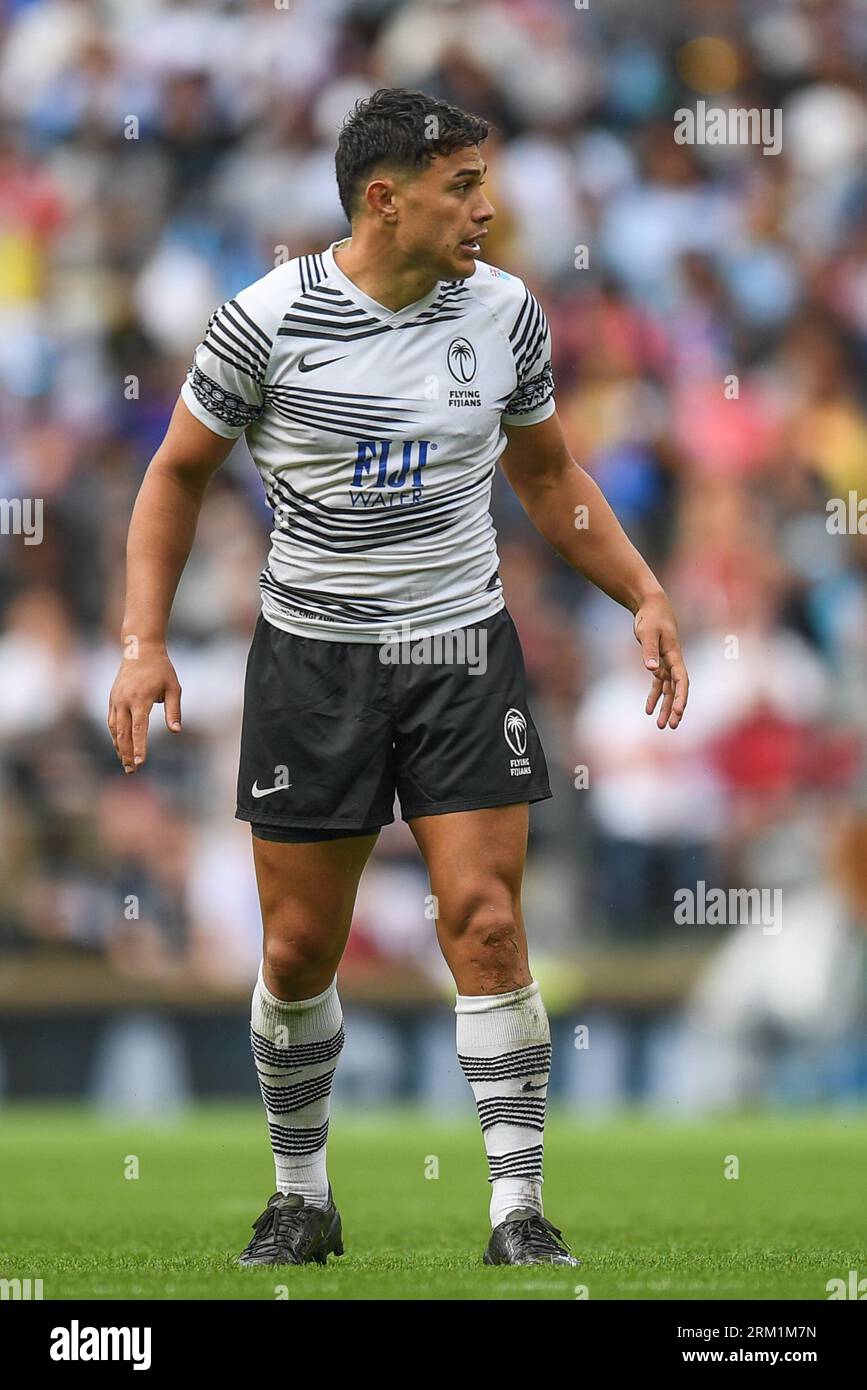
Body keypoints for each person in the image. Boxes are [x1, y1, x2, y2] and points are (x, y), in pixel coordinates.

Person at [107, 88, 689, 1268]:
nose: (491, 206)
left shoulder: (508, 312)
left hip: (461, 650)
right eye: (463, 185)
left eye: (485, 181)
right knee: (294, 953)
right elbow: (175, 475)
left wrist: (642, 589)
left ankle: (516, 1211)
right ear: (387, 198)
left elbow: (546, 475)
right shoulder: (263, 324)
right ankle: (300, 1196)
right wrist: (141, 639)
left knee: (484, 922)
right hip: (313, 662)